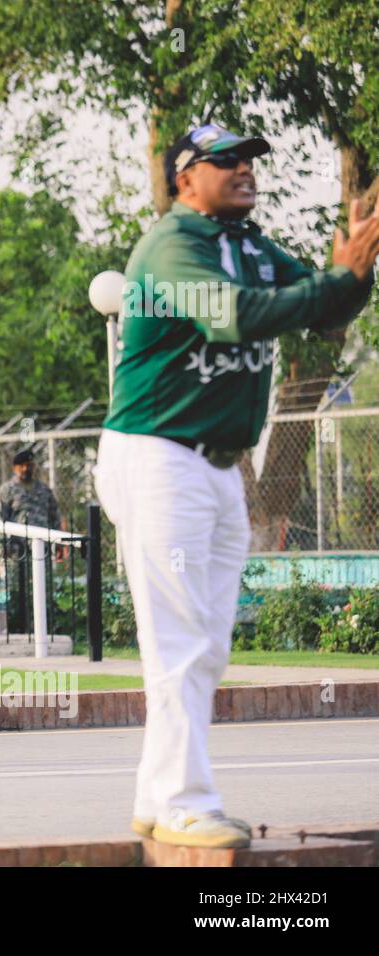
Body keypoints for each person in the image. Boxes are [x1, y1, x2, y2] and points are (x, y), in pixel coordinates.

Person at [95, 125, 379, 848]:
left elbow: (326, 308)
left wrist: (356, 270)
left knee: (206, 646)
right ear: (185, 178)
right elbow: (233, 318)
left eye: (251, 158)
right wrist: (335, 279)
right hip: (159, 454)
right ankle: (188, 804)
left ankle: (157, 796)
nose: (246, 168)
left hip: (217, 465)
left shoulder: (250, 245)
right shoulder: (171, 246)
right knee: (179, 641)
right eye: (228, 160)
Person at [0, 449, 63, 632]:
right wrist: (4, 545)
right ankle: (18, 627)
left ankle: (46, 626)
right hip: (17, 548)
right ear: (15, 468)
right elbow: (0, 519)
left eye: (30, 465)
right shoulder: (7, 490)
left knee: (44, 588)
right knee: (17, 589)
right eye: (23, 465)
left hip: (42, 547)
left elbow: (55, 516)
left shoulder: (44, 490)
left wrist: (60, 542)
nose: (26, 469)